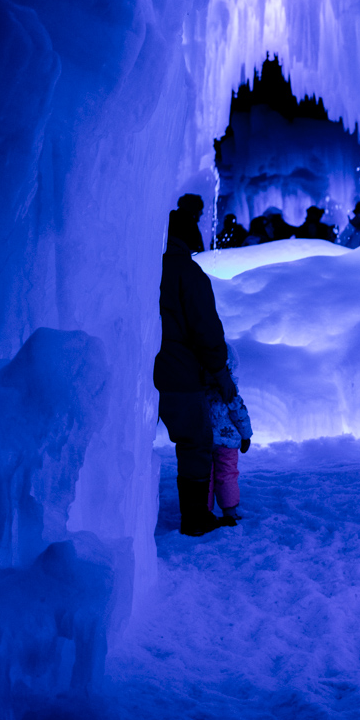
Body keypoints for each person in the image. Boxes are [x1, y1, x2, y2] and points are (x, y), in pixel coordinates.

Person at [153, 205, 238, 536]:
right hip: (179, 373)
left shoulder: (148, 267)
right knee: (194, 441)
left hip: (145, 374)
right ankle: (196, 517)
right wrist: (221, 373)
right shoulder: (188, 273)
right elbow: (206, 331)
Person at [207, 344, 253, 521]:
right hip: (228, 443)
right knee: (227, 474)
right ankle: (230, 512)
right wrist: (246, 436)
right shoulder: (230, 390)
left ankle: (205, 512)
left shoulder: (200, 389)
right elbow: (240, 414)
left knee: (206, 476)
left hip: (204, 440)